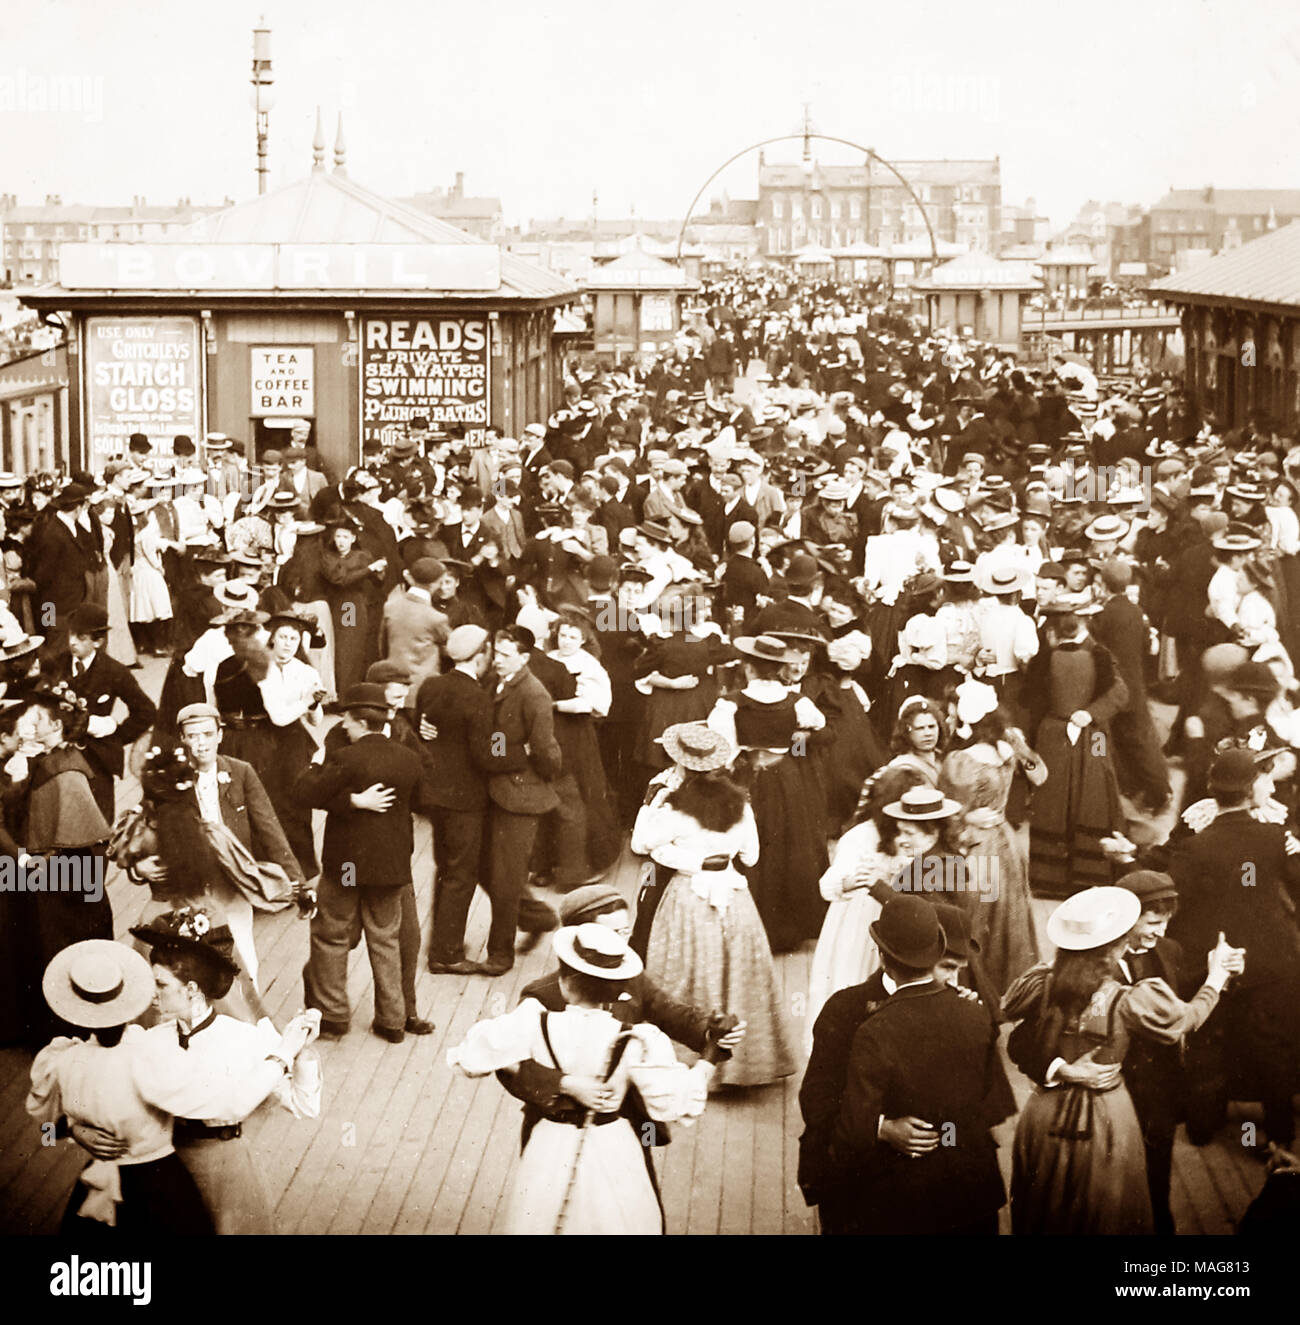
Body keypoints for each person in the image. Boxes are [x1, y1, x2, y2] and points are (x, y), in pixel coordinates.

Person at [1003, 887, 1243, 1235]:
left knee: (1047, 1207)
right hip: (1102, 1119)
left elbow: (1017, 1043)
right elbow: (1187, 1018)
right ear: (1116, 944)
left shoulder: (1042, 983)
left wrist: (1062, 1070)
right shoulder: (1130, 999)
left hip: (1042, 1115)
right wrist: (1217, 978)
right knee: (1104, 1209)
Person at [447, 924, 710, 1234]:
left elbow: (470, 1058)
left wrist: (556, 1077)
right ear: (615, 991)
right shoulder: (636, 1039)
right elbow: (678, 1102)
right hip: (613, 1143)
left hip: (549, 1143)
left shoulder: (535, 1021)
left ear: (565, 984)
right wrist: (711, 1060)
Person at [129, 908, 322, 1234]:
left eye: (160, 984)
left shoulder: (245, 1038)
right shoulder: (150, 1040)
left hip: (225, 1170)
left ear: (191, 989)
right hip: (164, 1164)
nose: (152, 994)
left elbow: (304, 1105)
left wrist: (303, 1053)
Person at [824, 894, 1008, 1235]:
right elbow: (818, 1100)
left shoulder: (878, 1028)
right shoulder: (847, 1010)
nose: (953, 980)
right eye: (948, 967)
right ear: (934, 953)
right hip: (963, 1193)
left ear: (884, 956)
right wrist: (890, 1128)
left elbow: (853, 1128)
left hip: (905, 1199)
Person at [633, 722, 796, 1087]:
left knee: (684, 970)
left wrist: (678, 854)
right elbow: (750, 857)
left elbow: (640, 844)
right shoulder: (741, 804)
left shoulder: (672, 805)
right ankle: (742, 1064)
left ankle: (684, 1061)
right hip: (734, 896)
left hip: (689, 895)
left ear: (681, 765)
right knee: (738, 971)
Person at [25, 940, 214, 1235]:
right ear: (128, 1001)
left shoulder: (62, 1062)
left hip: (101, 1180)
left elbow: (46, 1133)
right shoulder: (154, 1052)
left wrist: (73, 1130)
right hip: (161, 1181)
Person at [1166, 746, 1300, 1151]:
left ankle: (1203, 1126)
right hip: (1267, 958)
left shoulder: (1194, 844)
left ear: (1213, 790)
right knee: (1270, 1044)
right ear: (1249, 792)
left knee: (1208, 1042)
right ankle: (1280, 1133)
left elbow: (1175, 895)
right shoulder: (1277, 837)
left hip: (1212, 961)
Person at [295, 682, 429, 1041]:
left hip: (348, 867)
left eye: (348, 723)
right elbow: (422, 800)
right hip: (390, 867)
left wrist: (347, 797)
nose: (345, 729)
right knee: (386, 939)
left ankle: (334, 1016)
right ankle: (392, 1021)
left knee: (332, 935)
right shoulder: (408, 757)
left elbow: (304, 791)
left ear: (358, 720)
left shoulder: (346, 758)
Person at [476, 626, 563, 976]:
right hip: (498, 788)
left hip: (521, 795)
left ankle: (500, 954)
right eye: (496, 652)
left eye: (506, 654)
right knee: (486, 868)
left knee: (506, 877)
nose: (497, 659)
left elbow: (547, 753)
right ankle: (539, 917)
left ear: (525, 657)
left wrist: (524, 764)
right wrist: (509, 753)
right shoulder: (497, 682)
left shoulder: (533, 694)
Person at [46, 603, 156, 823]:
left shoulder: (113, 671)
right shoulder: (56, 664)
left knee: (98, 822)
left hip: (96, 759)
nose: (73, 642)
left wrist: (115, 735)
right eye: (71, 635)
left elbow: (146, 711)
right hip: (57, 757)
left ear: (98, 641)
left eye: (81, 637)